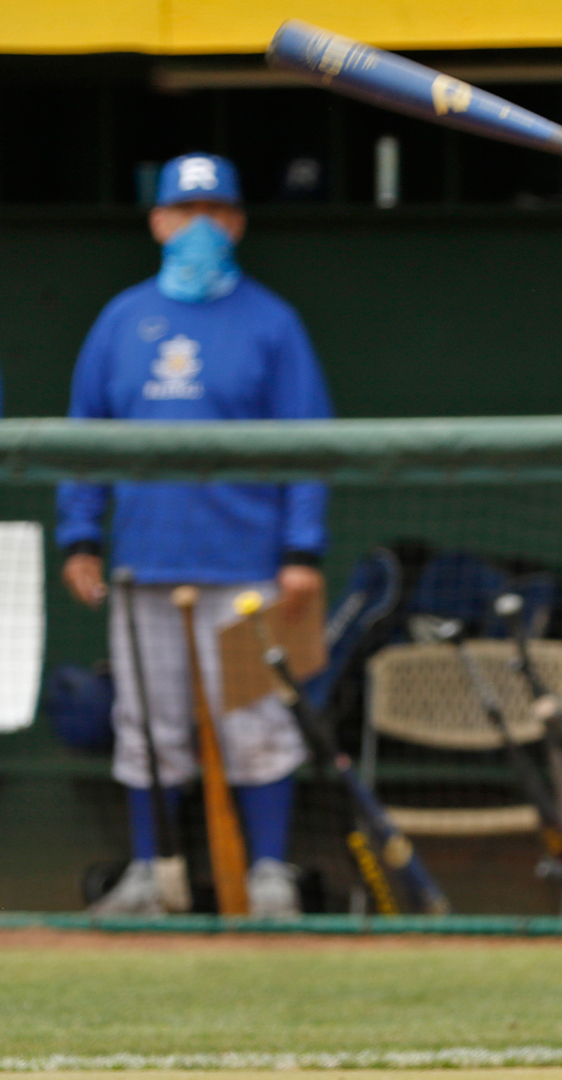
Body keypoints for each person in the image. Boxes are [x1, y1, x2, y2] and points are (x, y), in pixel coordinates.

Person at [59, 153, 334, 917]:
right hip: (145, 560)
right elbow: (83, 436)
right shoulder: (121, 319)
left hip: (250, 565)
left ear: (238, 223)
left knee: (258, 725)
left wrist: (302, 552)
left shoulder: (273, 322)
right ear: (158, 222)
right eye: (186, 211)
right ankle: (154, 874)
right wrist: (79, 536)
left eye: (216, 211)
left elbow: (312, 443)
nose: (201, 226)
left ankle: (269, 874)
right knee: (147, 728)